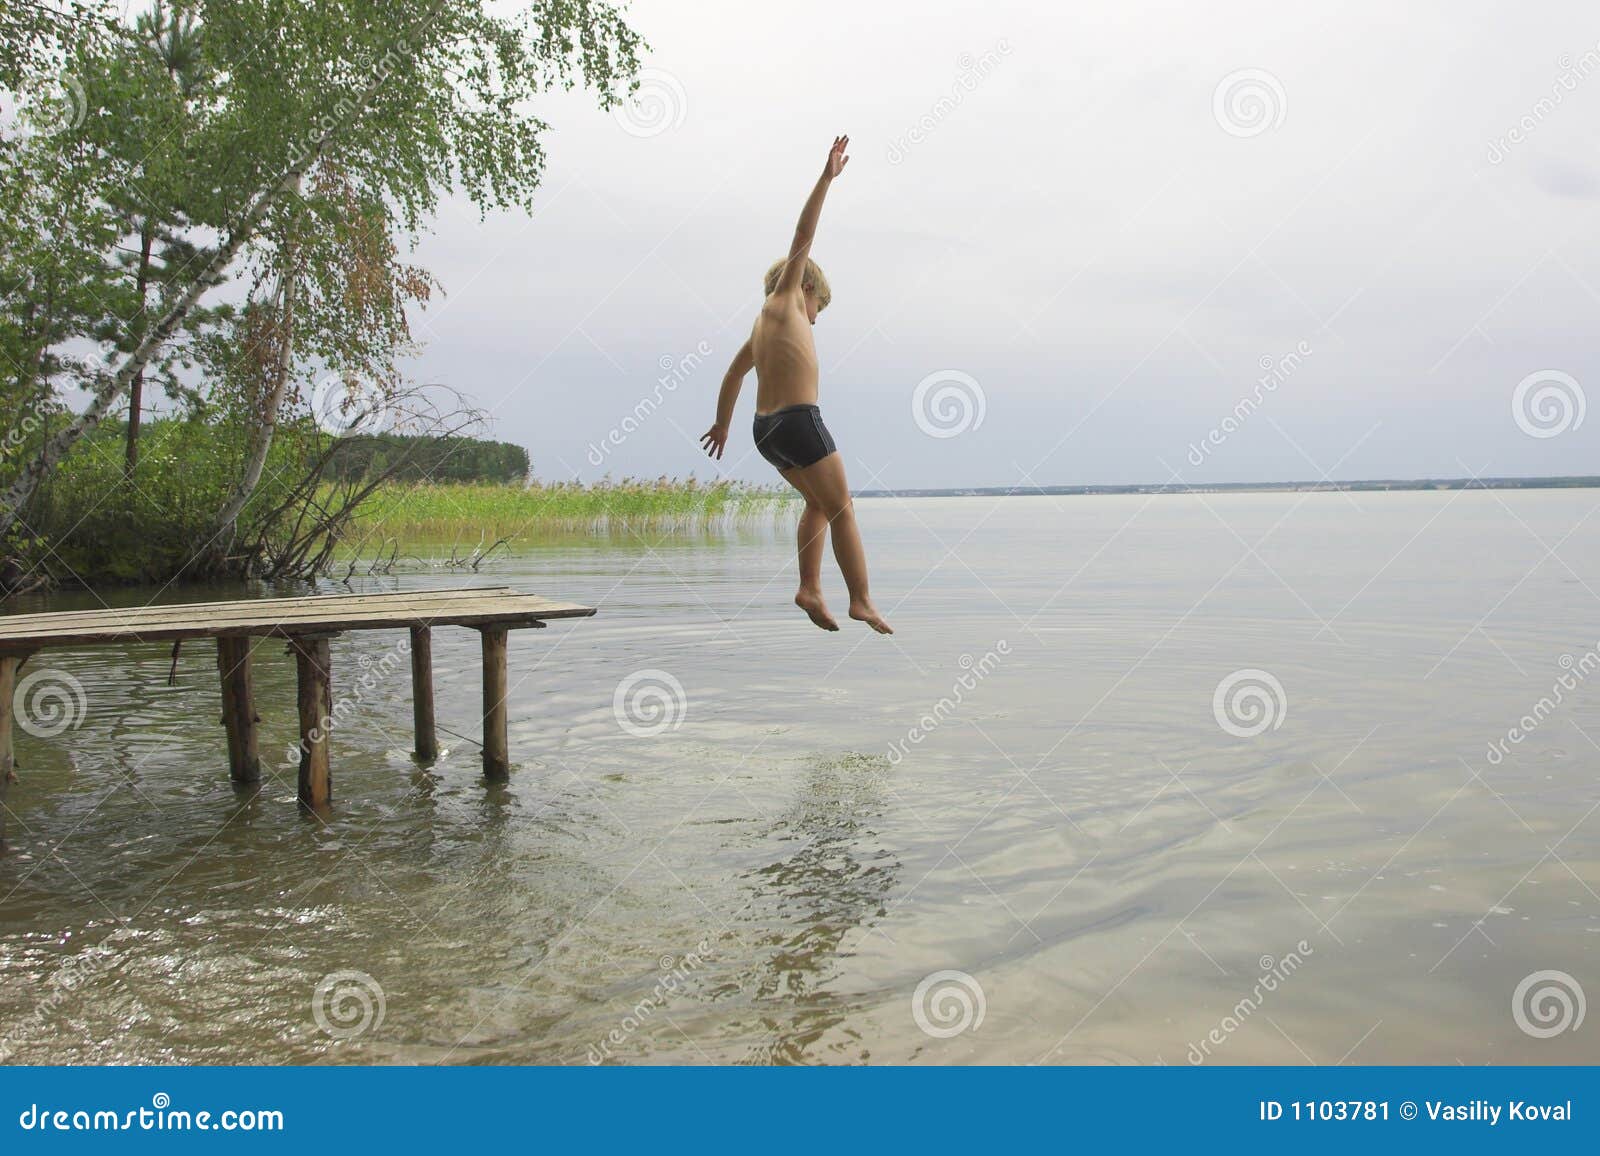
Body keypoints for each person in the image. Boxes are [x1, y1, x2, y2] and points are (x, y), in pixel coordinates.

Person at [700, 135, 892, 635]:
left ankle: (809, 586)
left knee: (817, 504)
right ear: (804, 285)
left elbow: (733, 373)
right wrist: (826, 178)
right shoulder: (786, 300)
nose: (816, 318)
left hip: (765, 432)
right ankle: (862, 600)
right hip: (800, 422)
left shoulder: (758, 331)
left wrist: (722, 425)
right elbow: (803, 233)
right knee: (844, 509)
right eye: (819, 308)